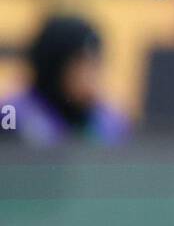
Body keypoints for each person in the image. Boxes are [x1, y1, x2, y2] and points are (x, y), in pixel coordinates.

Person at [5, 14, 130, 146]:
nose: (93, 76)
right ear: (55, 68)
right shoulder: (12, 118)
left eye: (97, 64)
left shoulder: (110, 123)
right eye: (83, 64)